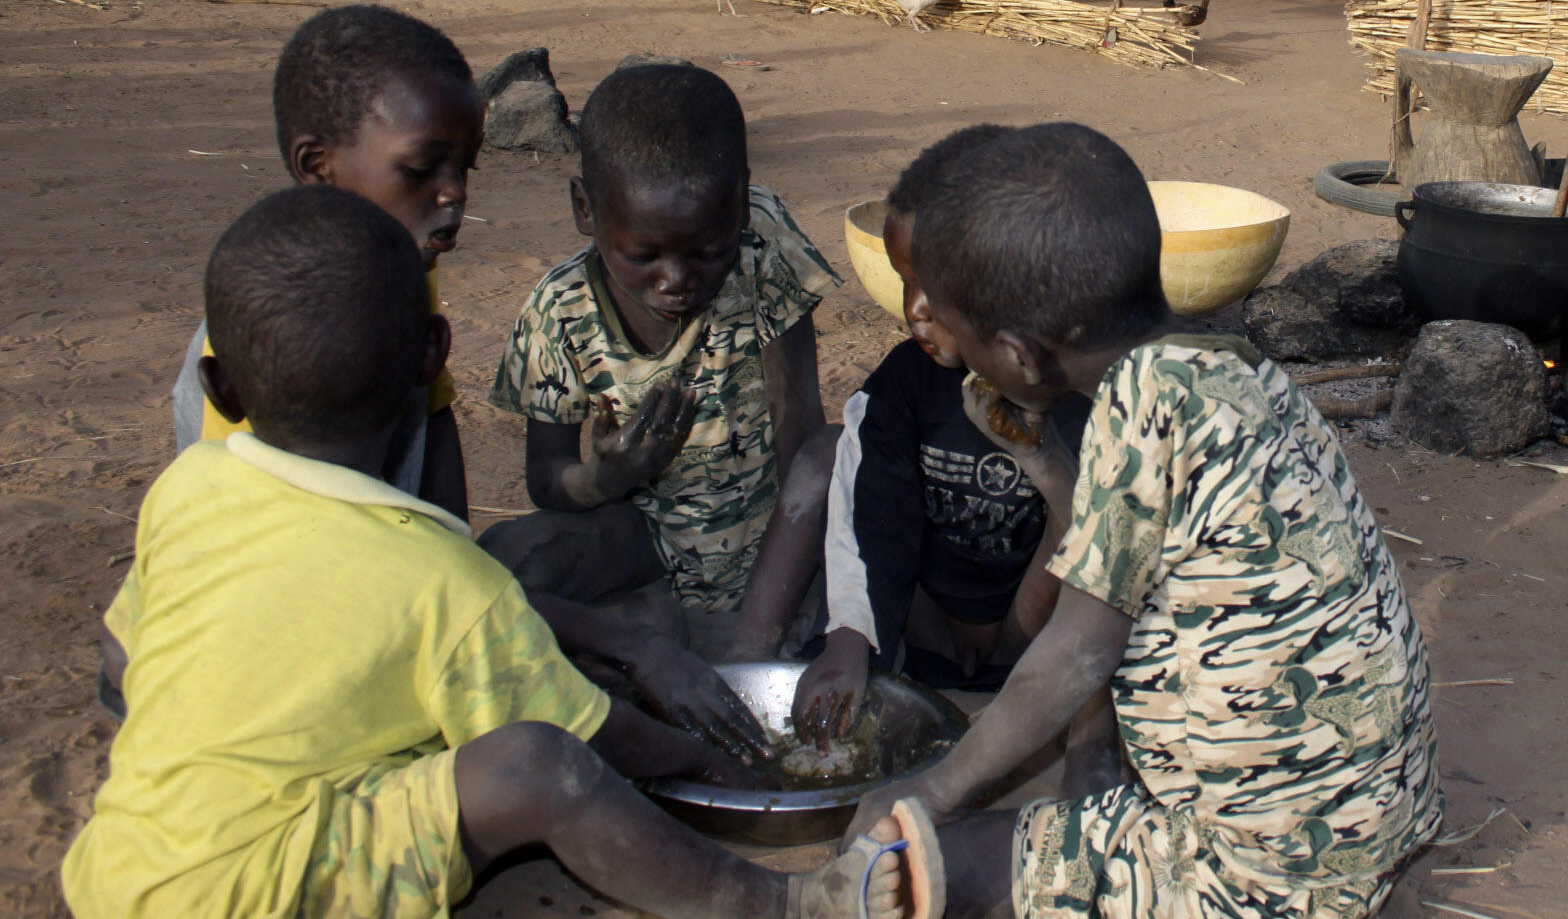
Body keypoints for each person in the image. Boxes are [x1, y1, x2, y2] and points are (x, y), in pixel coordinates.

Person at [66, 185, 930, 919]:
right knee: (531, 764)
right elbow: (593, 740)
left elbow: (122, 662)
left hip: (116, 876)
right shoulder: (441, 578)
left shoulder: (186, 491)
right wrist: (716, 756)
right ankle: (790, 904)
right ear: (433, 357)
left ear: (220, 385)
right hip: (274, 890)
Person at [841, 122, 1442, 919]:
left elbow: (1077, 654)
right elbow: (1123, 552)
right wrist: (1043, 461)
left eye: (957, 328)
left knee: (937, 865)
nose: (939, 337)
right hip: (1378, 822)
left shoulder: (1143, 406)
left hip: (1263, 880)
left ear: (1020, 355)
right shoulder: (1229, 370)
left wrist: (933, 791)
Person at [480, 62, 842, 760]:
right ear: (586, 210)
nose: (677, 280)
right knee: (505, 561)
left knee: (832, 453)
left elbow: (799, 421)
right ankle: (649, 643)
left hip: (769, 538)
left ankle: (747, 657)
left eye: (707, 252)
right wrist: (608, 478)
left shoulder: (761, 240)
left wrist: (771, 584)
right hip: (642, 538)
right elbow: (546, 477)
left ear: (739, 207)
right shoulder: (560, 311)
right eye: (643, 255)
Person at [794, 126, 1085, 743]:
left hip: (1029, 633)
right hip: (926, 623)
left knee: (1079, 504)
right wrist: (849, 641)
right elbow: (873, 520)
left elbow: (1097, 546)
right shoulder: (903, 383)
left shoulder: (1077, 391)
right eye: (907, 280)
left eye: (941, 286)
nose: (917, 309)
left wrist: (1039, 458)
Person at [168, 4, 481, 519]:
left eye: (466, 167)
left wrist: (456, 549)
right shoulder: (269, 319)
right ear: (318, 166)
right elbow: (238, 521)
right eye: (421, 169)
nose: (454, 192)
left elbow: (431, 410)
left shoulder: (405, 260)